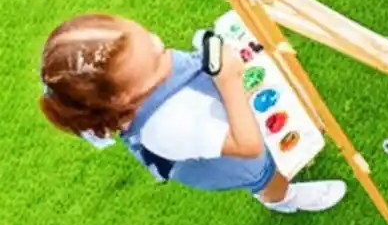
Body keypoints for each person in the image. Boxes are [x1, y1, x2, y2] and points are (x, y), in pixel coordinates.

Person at [38, 14, 347, 213]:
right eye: (157, 59)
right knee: (265, 175)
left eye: (149, 38)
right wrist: (228, 80)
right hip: (230, 155)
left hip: (211, 123)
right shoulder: (168, 126)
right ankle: (281, 199)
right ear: (125, 97)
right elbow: (247, 146)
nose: (162, 45)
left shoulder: (142, 84)